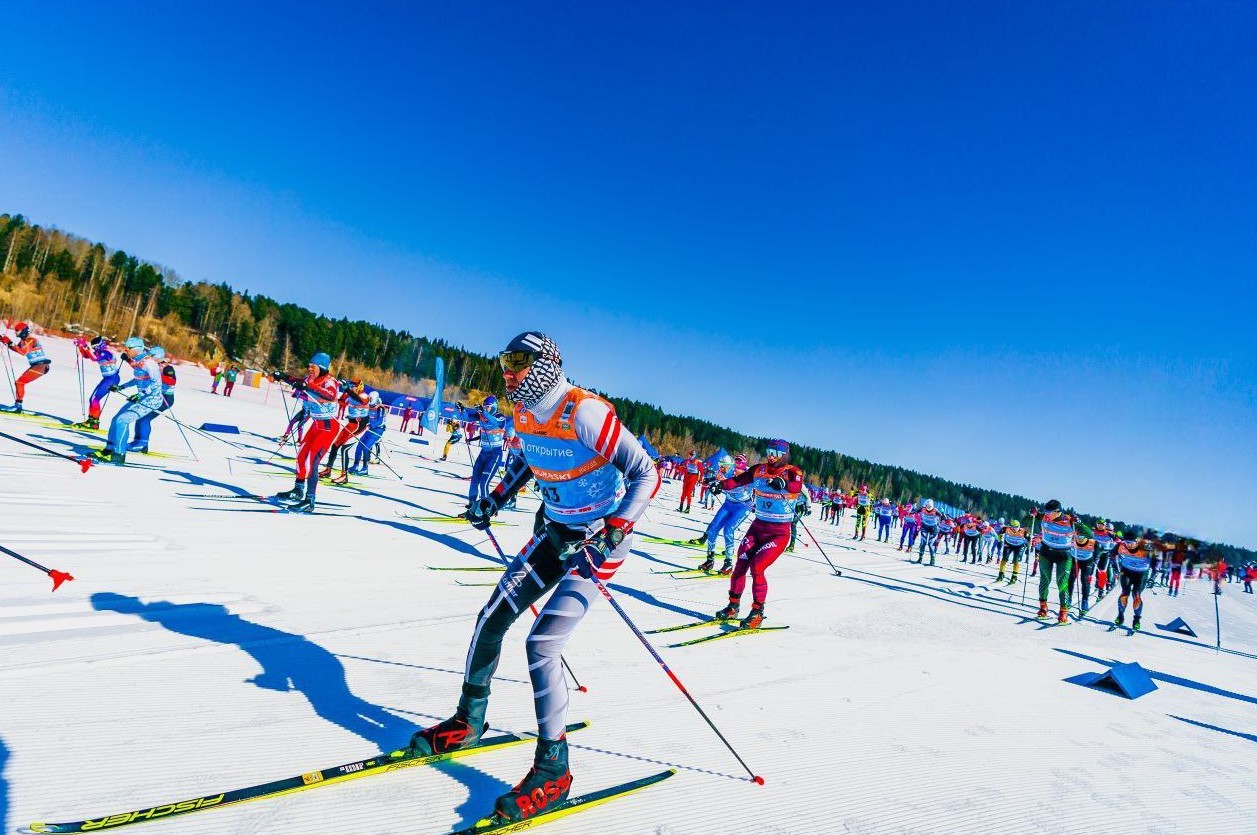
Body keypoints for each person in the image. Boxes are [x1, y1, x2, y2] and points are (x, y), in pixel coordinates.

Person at [406, 332, 658, 825]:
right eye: (504, 361)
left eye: (519, 362)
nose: (508, 371)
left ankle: (554, 772)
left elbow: (646, 472)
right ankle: (468, 720)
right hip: (556, 531)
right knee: (490, 619)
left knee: (542, 644)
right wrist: (497, 498)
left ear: (547, 364)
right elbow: (527, 458)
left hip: (599, 539)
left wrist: (617, 526)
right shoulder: (523, 412)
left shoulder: (583, 412)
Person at [711, 439, 804, 629]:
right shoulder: (759, 470)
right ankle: (733, 606)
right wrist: (721, 485)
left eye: (776, 454)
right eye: (769, 452)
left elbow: (795, 487)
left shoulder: (793, 471)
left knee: (757, 566)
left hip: (778, 534)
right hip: (758, 527)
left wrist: (781, 482)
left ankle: (757, 612)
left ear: (785, 455)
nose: (771, 457)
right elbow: (738, 480)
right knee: (741, 563)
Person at [272, 353, 342, 513]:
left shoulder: (330, 381)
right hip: (316, 425)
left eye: (313, 366)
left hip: (329, 427)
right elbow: (297, 382)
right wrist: (282, 376)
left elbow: (330, 395)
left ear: (322, 367)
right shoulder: (310, 379)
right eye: (309, 366)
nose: (310, 369)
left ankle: (310, 500)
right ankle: (298, 490)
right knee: (301, 455)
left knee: (312, 462)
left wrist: (309, 387)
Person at [97, 337, 163, 465]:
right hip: (143, 397)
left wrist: (140, 395)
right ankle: (109, 449)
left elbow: (156, 383)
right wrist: (121, 387)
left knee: (123, 420)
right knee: (116, 419)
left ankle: (119, 454)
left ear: (137, 349)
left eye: (128, 348)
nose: (125, 350)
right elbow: (138, 380)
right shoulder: (139, 362)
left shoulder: (150, 363)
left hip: (151, 399)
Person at [694, 454, 753, 574]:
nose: (721, 468)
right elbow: (716, 484)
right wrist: (712, 484)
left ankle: (728, 563)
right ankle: (709, 560)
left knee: (728, 530)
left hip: (743, 506)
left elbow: (760, 485)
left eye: (724, 466)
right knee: (713, 529)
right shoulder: (724, 474)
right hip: (728, 504)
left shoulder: (747, 475)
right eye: (721, 466)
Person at [1033, 500, 1076, 624]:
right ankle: (1043, 607)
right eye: (1045, 511)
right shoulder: (1044, 517)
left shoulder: (1069, 520)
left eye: (1049, 512)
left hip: (1064, 555)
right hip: (1046, 552)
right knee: (1045, 579)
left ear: (1058, 512)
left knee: (1061, 582)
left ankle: (1063, 611)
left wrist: (1080, 524)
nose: (1046, 514)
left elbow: (1088, 533)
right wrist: (1033, 513)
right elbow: (1028, 520)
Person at [129, 347, 176, 453]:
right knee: (140, 416)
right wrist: (128, 360)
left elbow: (172, 381)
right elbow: (140, 371)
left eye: (151, 356)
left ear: (158, 357)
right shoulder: (153, 365)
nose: (148, 357)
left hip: (165, 398)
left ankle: (143, 444)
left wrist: (158, 377)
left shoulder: (167, 368)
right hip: (155, 396)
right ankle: (137, 442)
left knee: (145, 418)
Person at [467, 395, 511, 508]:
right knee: (474, 481)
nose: (485, 409)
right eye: (484, 407)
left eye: (488, 407)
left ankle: (484, 509)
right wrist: (462, 410)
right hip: (483, 453)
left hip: (494, 454)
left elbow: (496, 422)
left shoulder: (500, 417)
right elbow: (468, 417)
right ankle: (472, 506)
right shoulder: (482, 416)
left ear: (494, 407)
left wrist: (483, 412)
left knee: (484, 483)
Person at [1, 322, 51, 412]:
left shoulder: (31, 340)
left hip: (41, 366)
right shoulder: (23, 341)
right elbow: (17, 349)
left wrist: (8, 341)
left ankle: (18, 407)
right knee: (19, 383)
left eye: (17, 330)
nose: (15, 332)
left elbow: (23, 352)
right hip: (37, 366)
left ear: (23, 331)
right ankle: (18, 406)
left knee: (19, 383)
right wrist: (4, 341)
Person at [325, 379, 369, 483]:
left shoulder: (364, 396)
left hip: (360, 426)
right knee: (335, 445)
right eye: (349, 386)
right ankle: (328, 470)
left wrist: (347, 390)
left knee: (344, 449)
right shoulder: (349, 394)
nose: (351, 387)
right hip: (351, 424)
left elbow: (358, 399)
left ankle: (344, 476)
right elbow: (338, 401)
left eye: (353, 386)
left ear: (359, 387)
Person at [73, 335, 122, 429]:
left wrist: (85, 346)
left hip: (112, 378)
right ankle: (92, 421)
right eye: (93, 347)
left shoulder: (105, 352)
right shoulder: (100, 351)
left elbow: (94, 358)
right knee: (93, 399)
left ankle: (93, 422)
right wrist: (80, 346)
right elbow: (86, 355)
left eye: (95, 346)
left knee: (94, 399)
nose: (94, 348)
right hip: (108, 378)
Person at [1113, 532, 1152, 629]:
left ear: (1137, 542)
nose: (1129, 544)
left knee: (1136, 595)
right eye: (1127, 542)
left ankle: (1136, 619)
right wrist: (1115, 567)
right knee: (1124, 593)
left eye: (1131, 542)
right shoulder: (1121, 545)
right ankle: (1120, 616)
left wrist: (1153, 576)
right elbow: (1112, 555)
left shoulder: (1146, 548)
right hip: (1126, 571)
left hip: (1141, 574)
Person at [350, 391, 388, 475]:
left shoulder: (380, 408)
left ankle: (365, 469)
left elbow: (380, 421)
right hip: (370, 429)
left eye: (371, 399)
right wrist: (361, 419)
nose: (369, 401)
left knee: (366, 447)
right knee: (360, 445)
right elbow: (367, 416)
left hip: (378, 430)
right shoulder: (369, 406)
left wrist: (371, 424)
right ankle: (355, 466)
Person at [1068, 524, 1097, 614]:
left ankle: (1085, 601)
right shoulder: (1072, 539)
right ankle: (1068, 598)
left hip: (1087, 561)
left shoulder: (1092, 542)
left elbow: (1100, 549)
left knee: (1084, 580)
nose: (1080, 539)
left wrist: (1097, 557)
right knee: (1071, 578)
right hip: (1075, 559)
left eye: (1082, 537)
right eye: (1078, 537)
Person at [915, 500, 941, 564]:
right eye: (927, 506)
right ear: (925, 505)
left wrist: (943, 518)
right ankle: (920, 558)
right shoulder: (922, 508)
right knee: (923, 543)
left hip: (933, 528)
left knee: (930, 544)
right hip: (925, 527)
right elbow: (915, 511)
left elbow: (942, 516)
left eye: (930, 506)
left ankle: (932, 559)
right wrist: (913, 512)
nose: (928, 507)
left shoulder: (935, 510)